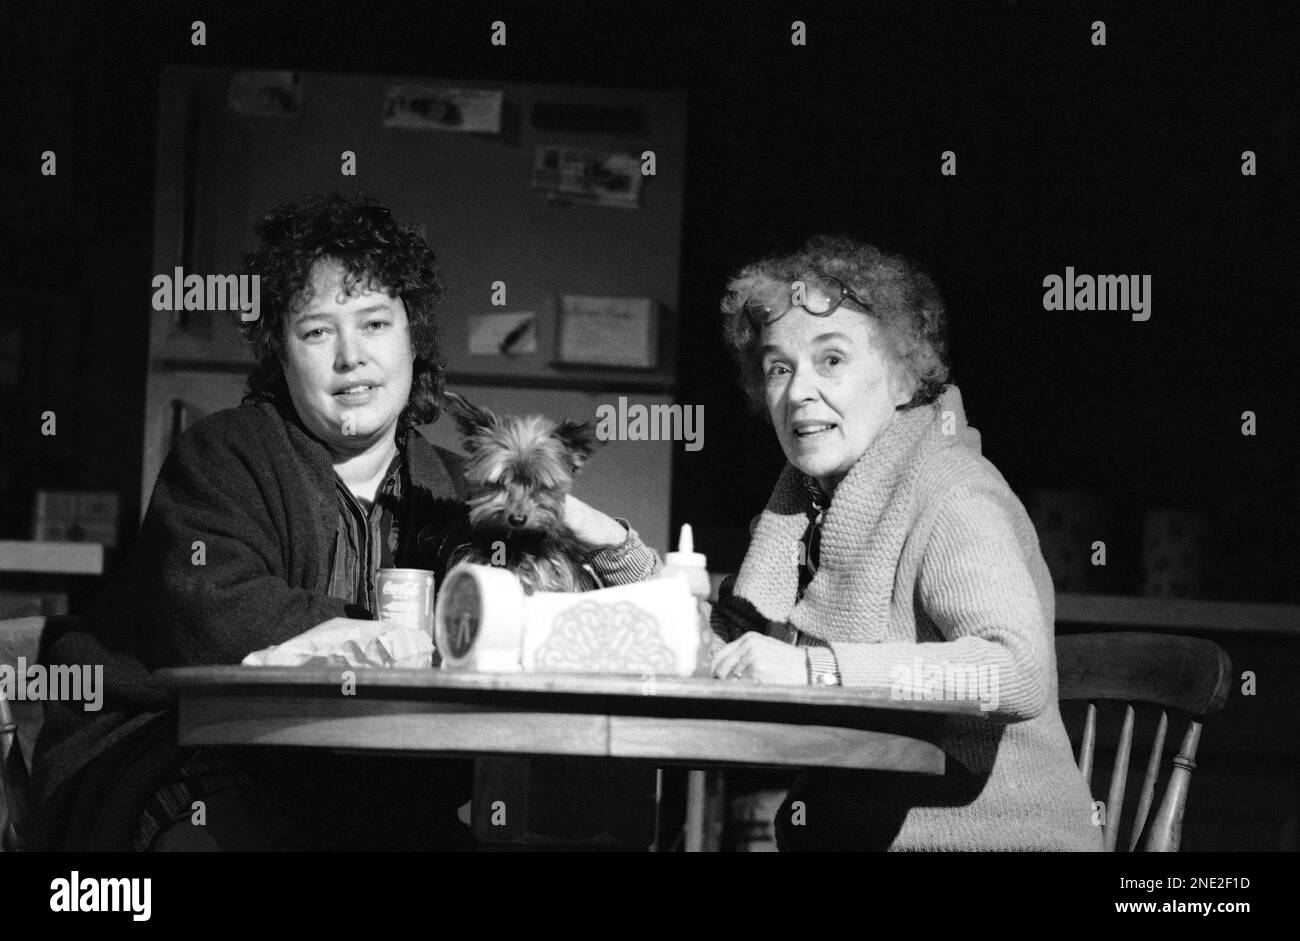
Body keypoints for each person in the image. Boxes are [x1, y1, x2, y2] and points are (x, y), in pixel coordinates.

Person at [29, 194, 659, 851]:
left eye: (375, 324)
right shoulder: (222, 455)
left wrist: (605, 547)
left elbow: (543, 629)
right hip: (194, 762)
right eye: (317, 330)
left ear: (413, 337)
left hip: (380, 789)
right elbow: (220, 613)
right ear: (280, 350)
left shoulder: (457, 490)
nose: (350, 356)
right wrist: (405, 640)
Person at [709, 235, 1102, 851]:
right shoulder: (809, 506)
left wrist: (820, 670)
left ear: (902, 375)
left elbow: (1018, 672)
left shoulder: (951, 494)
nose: (799, 391)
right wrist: (610, 549)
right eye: (779, 367)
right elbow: (733, 640)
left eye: (831, 360)